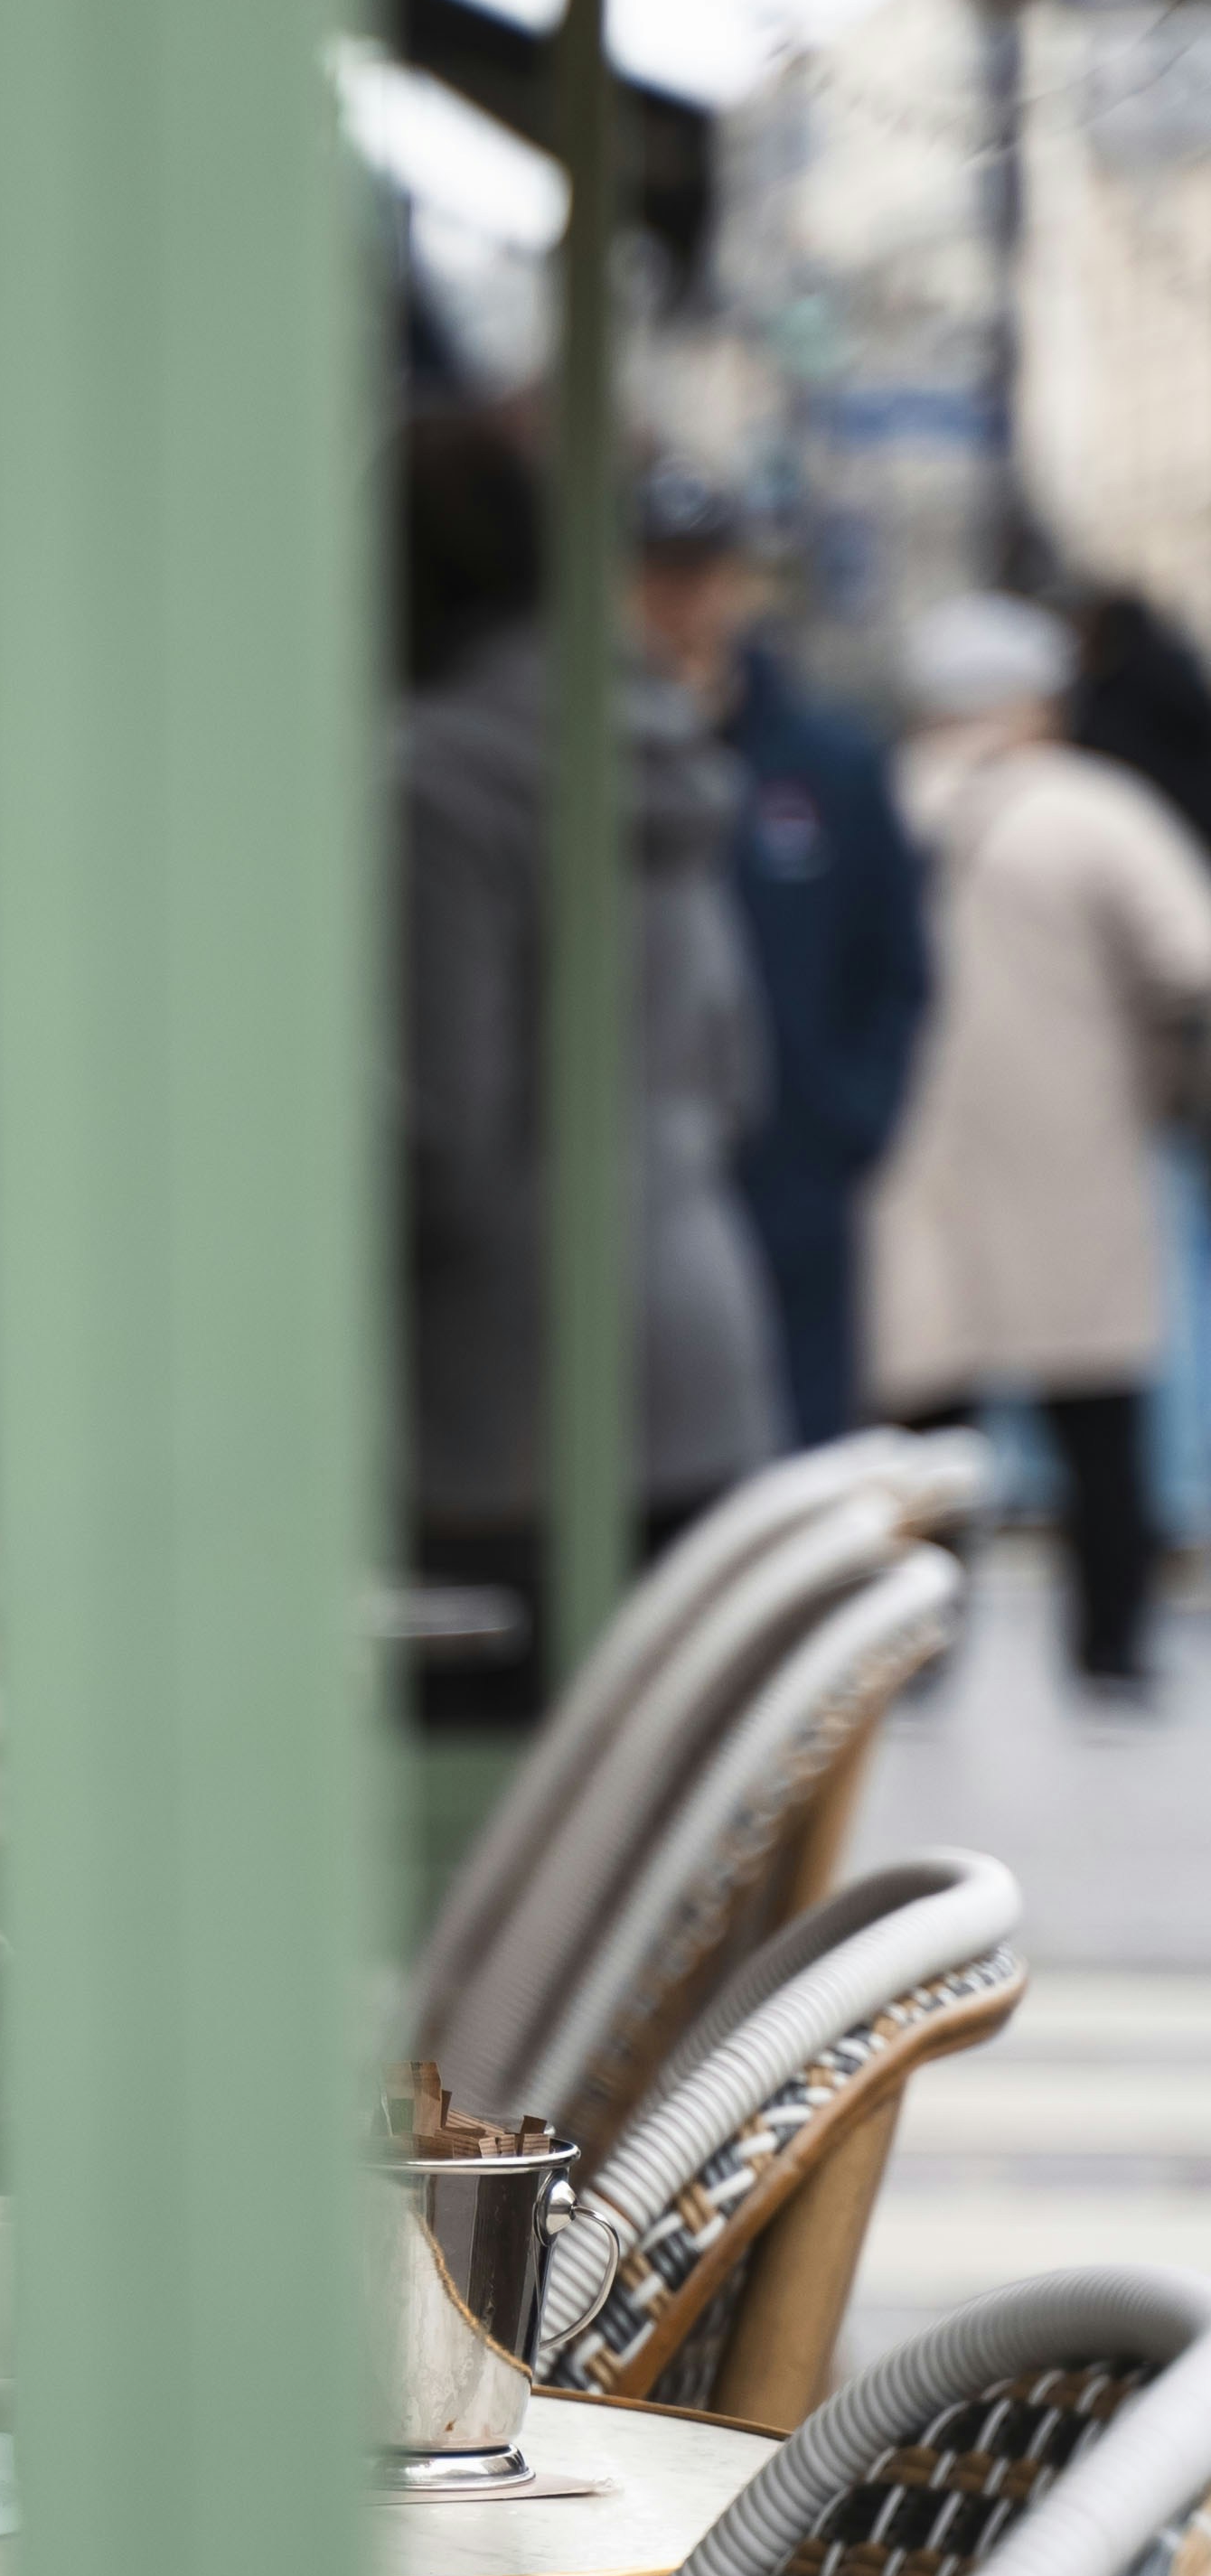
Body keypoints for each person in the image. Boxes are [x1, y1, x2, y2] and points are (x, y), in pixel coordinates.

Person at [395, 409, 785, 1713]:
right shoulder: (660, 747)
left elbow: (430, 1139)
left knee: (479, 1847)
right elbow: (739, 1076)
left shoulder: (439, 778)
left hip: (500, 1414)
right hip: (698, 1362)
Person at [869, 585, 1211, 1699]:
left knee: (925, 1429)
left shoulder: (880, 800)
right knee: (1097, 1421)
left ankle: (914, 1660)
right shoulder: (1093, 809)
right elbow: (1191, 961)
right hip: (1076, 1154)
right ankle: (1108, 1648)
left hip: (910, 1159)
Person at [630, 468, 929, 1448]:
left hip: (795, 1172)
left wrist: (849, 1119)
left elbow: (897, 962)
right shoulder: (585, 756)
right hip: (641, 1174)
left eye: (701, 575)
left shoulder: (825, 763)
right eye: (657, 576)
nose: (682, 604)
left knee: (798, 1446)